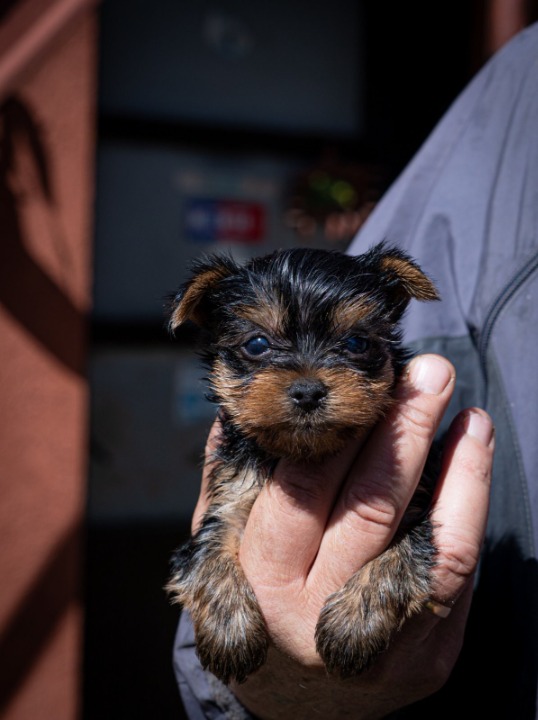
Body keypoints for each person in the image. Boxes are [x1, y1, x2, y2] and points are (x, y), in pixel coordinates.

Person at [173, 21, 538, 719]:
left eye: (353, 348)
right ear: (213, 344)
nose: (308, 381)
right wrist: (250, 681)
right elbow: (208, 563)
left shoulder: (405, 443)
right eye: (257, 350)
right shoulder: (511, 107)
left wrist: (383, 587)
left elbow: (425, 541)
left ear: (394, 330)